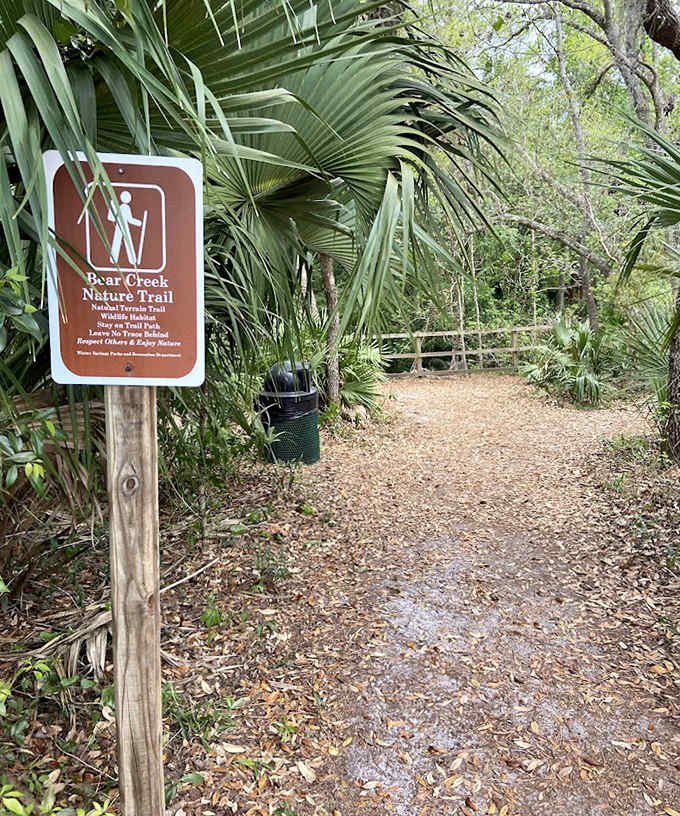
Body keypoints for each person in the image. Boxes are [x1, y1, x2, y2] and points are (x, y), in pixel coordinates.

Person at [107, 190, 141, 265]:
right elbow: (130, 220)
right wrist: (138, 223)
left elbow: (129, 219)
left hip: (121, 227)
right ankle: (130, 260)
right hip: (122, 227)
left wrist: (138, 223)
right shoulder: (124, 207)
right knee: (124, 241)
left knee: (120, 241)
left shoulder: (123, 207)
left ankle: (130, 260)